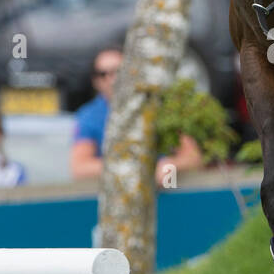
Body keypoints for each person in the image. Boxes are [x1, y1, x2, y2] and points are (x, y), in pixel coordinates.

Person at [70, 47, 204, 187]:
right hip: (117, 196)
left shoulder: (158, 106)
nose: (112, 79)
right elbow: (79, 169)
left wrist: (170, 166)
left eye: (119, 71)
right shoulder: (89, 116)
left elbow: (193, 157)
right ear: (95, 81)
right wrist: (132, 168)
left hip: (163, 194)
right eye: (103, 74)